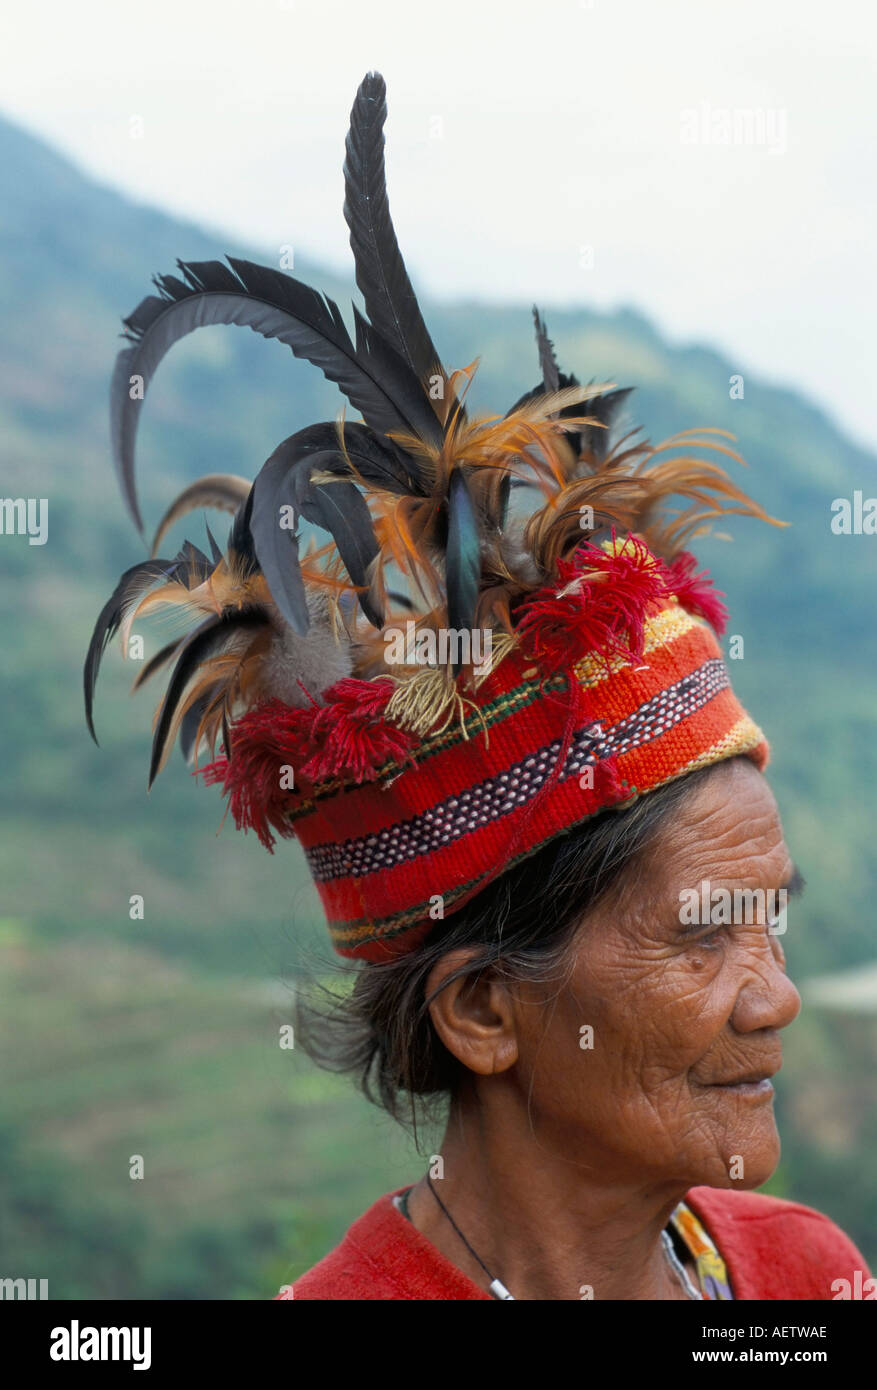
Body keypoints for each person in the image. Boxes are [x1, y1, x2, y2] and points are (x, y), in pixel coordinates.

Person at [84, 71, 871, 1301]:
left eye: (771, 914)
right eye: (705, 929)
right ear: (485, 1010)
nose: (774, 992)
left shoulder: (798, 1274)